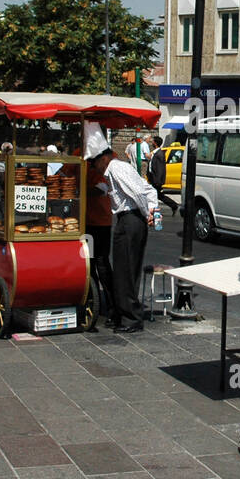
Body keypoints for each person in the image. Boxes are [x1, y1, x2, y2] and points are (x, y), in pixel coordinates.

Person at [88, 127, 159, 334]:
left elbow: (138, 193)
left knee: (126, 271)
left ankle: (131, 317)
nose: (95, 168)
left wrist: (146, 213)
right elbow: (146, 190)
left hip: (131, 220)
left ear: (103, 159)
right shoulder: (114, 171)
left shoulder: (117, 169)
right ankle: (123, 314)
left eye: (94, 164)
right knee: (123, 269)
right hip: (128, 220)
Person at [83, 125, 114, 331]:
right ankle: (92, 301)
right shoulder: (81, 156)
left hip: (101, 222)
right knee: (88, 263)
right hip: (85, 221)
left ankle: (111, 306)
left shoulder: (108, 160)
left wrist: (83, 191)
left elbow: (103, 188)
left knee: (102, 263)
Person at [146, 135, 178, 216]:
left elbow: (160, 169)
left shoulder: (159, 154)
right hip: (153, 178)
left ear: (155, 143)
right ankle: (173, 205)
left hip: (156, 180)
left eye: (152, 141)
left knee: (152, 195)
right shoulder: (155, 153)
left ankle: (152, 211)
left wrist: (158, 181)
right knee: (158, 195)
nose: (151, 143)